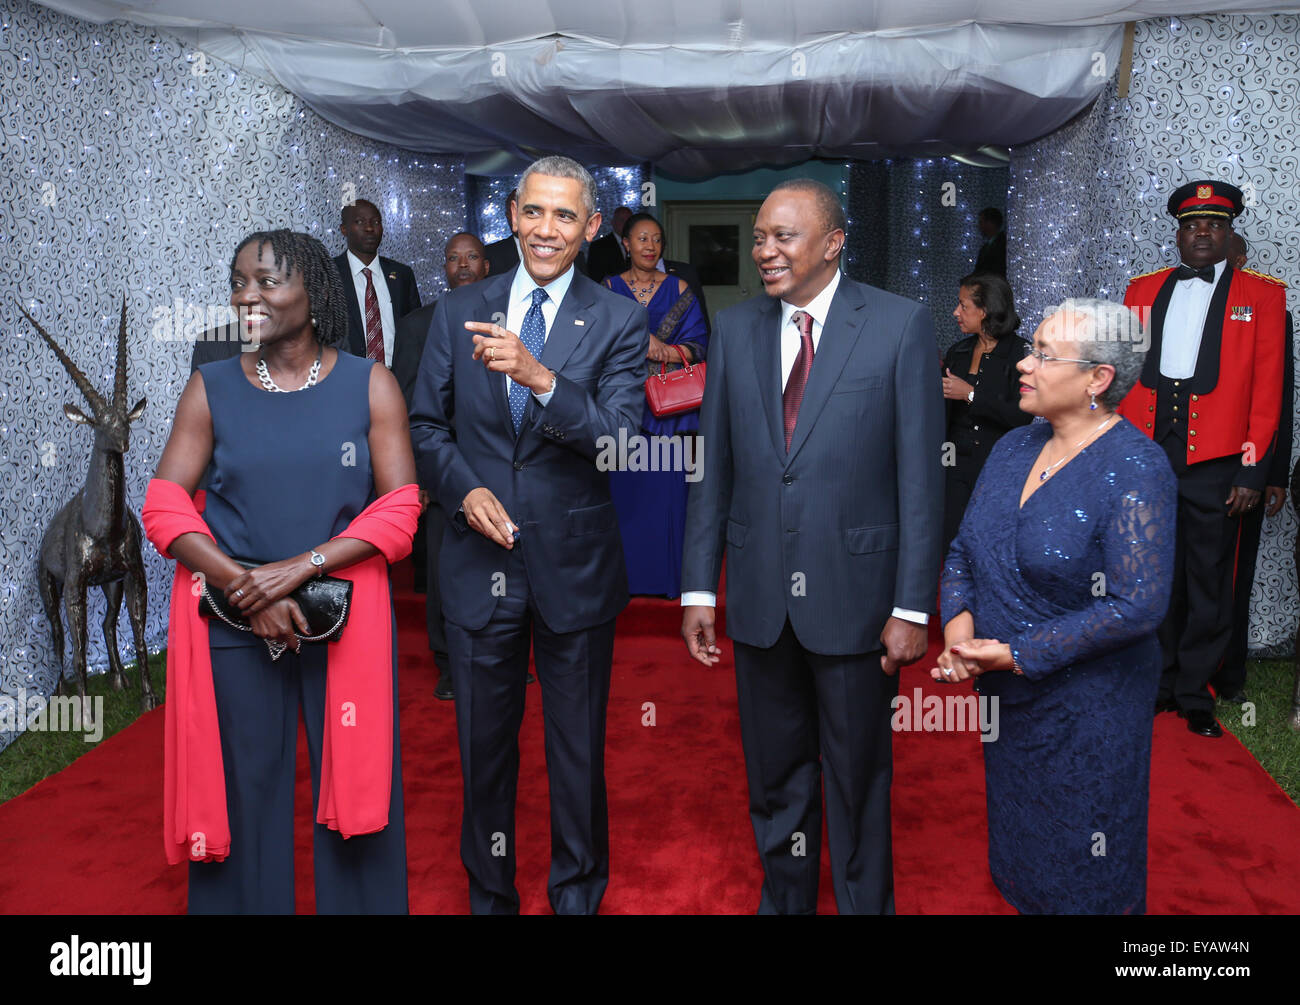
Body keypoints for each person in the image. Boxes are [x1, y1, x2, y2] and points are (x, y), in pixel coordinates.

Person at [680, 179, 945, 914]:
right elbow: (714, 470)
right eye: (760, 235)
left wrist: (911, 605)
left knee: (859, 777)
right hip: (761, 600)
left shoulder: (899, 326)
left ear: (834, 243)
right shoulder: (732, 330)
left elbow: (922, 480)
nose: (764, 249)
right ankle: (786, 900)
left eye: (783, 236)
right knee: (773, 775)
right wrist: (700, 587)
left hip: (859, 602)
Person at [141, 229, 420, 913]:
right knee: (244, 790)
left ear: (315, 294)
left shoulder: (369, 383)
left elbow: (402, 509)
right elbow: (163, 505)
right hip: (236, 620)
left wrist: (296, 569)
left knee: (359, 793)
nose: (248, 296)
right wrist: (245, 587)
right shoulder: (212, 387)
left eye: (267, 281)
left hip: (343, 613)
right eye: (240, 281)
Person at [409, 155, 645, 914]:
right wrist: (462, 488)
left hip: (574, 569)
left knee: (575, 756)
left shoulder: (617, 318)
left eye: (566, 216)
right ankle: (490, 896)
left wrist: (542, 378)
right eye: (535, 212)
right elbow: (423, 425)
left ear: (591, 227)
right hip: (478, 566)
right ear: (511, 214)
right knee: (484, 755)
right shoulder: (458, 309)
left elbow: (620, 444)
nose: (547, 230)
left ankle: (577, 895)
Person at [935, 298, 1176, 914]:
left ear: (1098, 379)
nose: (1023, 363)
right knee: (1021, 855)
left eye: (1043, 354)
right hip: (1006, 699)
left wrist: (1015, 653)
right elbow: (965, 547)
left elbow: (1137, 606)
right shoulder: (1015, 445)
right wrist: (960, 631)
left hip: (1088, 710)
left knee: (1086, 865)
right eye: (1030, 349)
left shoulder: (1136, 466)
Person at [1116, 179, 1286, 738]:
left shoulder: (1263, 295)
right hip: (1149, 453)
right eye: (1192, 225)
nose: (1202, 233)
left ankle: (1195, 693)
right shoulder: (1140, 288)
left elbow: (1268, 391)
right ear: (1179, 234)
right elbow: (1119, 376)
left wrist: (1253, 470)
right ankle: (1157, 682)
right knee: (1152, 572)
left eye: (1213, 224)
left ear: (1230, 231)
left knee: (1210, 580)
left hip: (1218, 461)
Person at [398, 231, 493, 701]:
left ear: (486, 266)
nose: (462, 265)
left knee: (503, 569)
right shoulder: (419, 324)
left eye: (472, 257)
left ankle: (505, 656)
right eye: (453, 258)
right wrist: (422, 476)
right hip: (444, 473)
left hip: (501, 470)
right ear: (444, 268)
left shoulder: (509, 318)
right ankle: (448, 665)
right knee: (444, 573)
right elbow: (408, 405)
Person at [603, 212, 709, 596]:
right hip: (621, 405)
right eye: (642, 239)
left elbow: (700, 344)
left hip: (670, 413)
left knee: (667, 497)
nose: (650, 246)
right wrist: (636, 346)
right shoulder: (608, 287)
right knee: (624, 498)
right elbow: (594, 343)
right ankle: (623, 580)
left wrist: (663, 350)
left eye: (657, 240)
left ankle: (667, 579)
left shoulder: (680, 288)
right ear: (626, 244)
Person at [1215, 232, 1293, 704]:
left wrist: (1272, 475)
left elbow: (1278, 400)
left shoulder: (1268, 310)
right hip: (1192, 468)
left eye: (1227, 259)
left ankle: (1229, 671)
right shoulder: (1182, 307)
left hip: (1246, 467)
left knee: (1234, 574)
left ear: (1241, 260)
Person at [941, 273, 1032, 554]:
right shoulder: (958, 351)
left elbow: (1022, 414)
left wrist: (970, 394)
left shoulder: (1020, 354)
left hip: (998, 469)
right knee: (952, 545)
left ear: (985, 310)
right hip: (954, 468)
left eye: (963, 306)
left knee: (992, 548)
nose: (956, 312)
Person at [334, 198, 422, 364]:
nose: (369, 228)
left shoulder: (402, 274)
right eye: (359, 222)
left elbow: (416, 329)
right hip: (348, 377)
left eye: (376, 222)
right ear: (344, 229)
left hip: (399, 378)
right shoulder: (329, 274)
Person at [586, 205, 633, 284]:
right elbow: (595, 278)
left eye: (628, 221)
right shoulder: (599, 246)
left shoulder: (637, 244)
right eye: (621, 220)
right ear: (613, 222)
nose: (625, 224)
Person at [973, 208, 1007, 277]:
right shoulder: (986, 247)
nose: (979, 226)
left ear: (989, 223)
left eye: (981, 222)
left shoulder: (1002, 245)